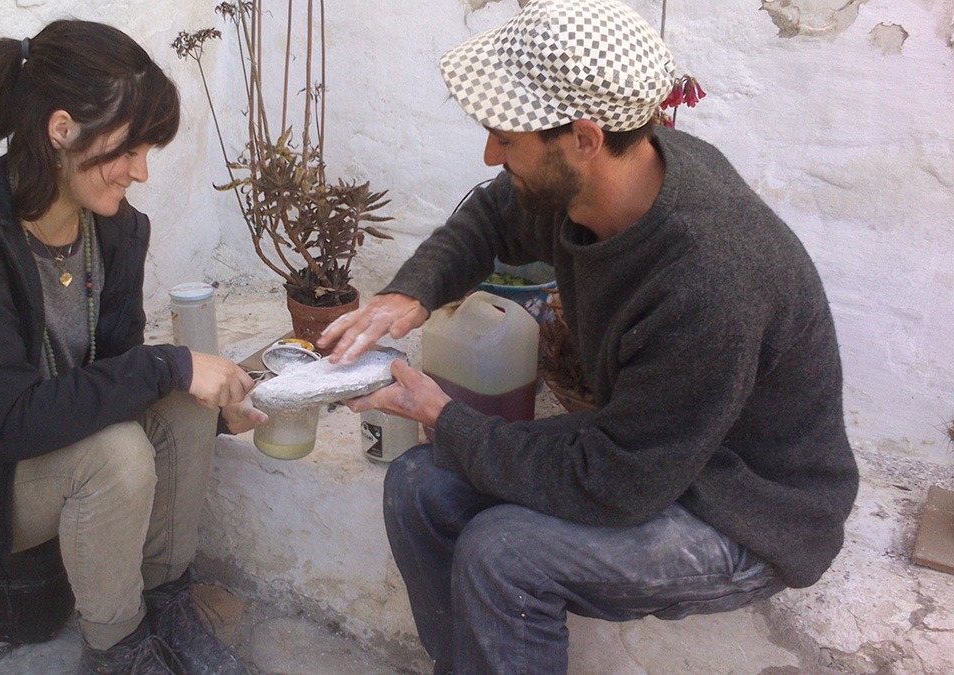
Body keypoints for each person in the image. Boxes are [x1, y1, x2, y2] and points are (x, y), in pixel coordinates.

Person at [318, 0, 859, 672]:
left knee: (503, 552)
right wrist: (414, 291)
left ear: (583, 137)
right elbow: (492, 215)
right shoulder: (602, 181)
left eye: (506, 138)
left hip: (745, 509)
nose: (490, 154)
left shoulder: (709, 278)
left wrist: (446, 417)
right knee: (417, 486)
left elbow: (617, 482)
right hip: (653, 447)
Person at [0, 20, 263, 674]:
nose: (141, 171)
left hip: (52, 455)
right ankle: (117, 648)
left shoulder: (116, 231)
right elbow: (12, 422)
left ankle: (165, 603)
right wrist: (170, 362)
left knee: (185, 407)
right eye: (129, 150)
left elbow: (117, 378)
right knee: (118, 451)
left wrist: (211, 403)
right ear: (62, 129)